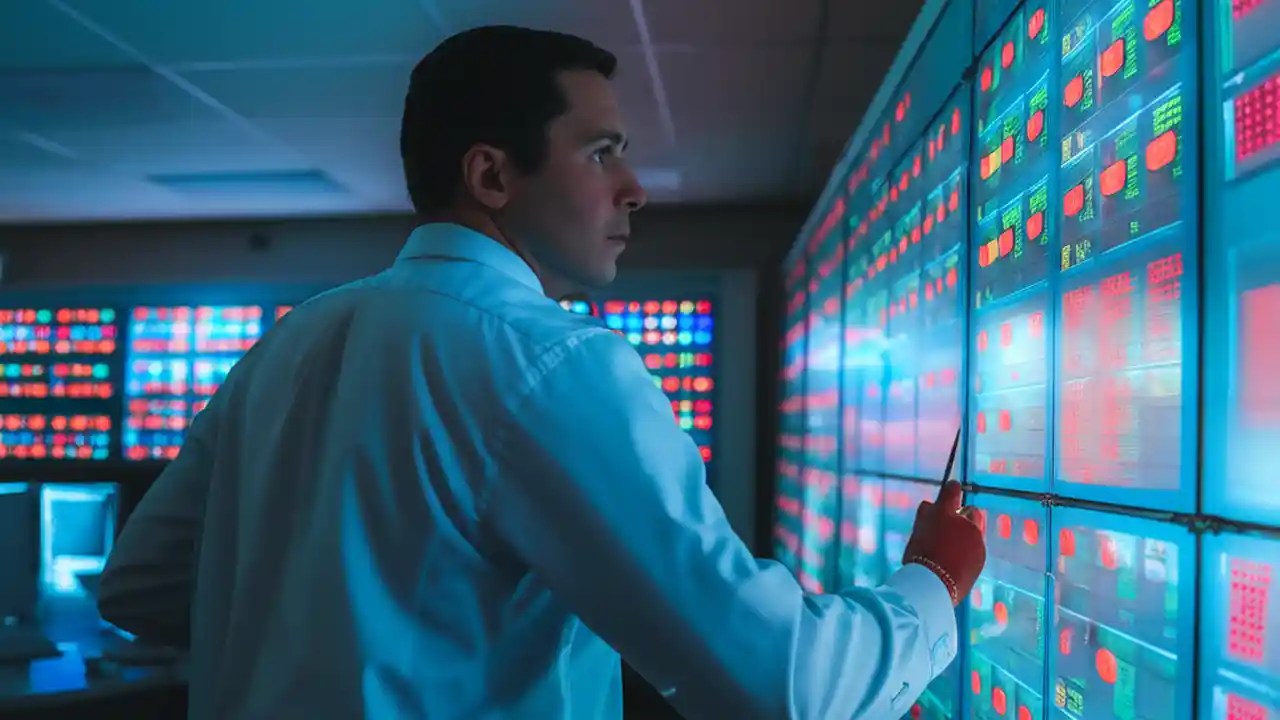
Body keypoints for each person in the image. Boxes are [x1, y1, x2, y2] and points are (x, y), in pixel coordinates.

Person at [98, 24, 987, 720]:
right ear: (492, 176)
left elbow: (143, 586)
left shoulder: (295, 340)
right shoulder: (551, 360)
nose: (634, 187)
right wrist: (933, 584)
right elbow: (782, 683)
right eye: (601, 152)